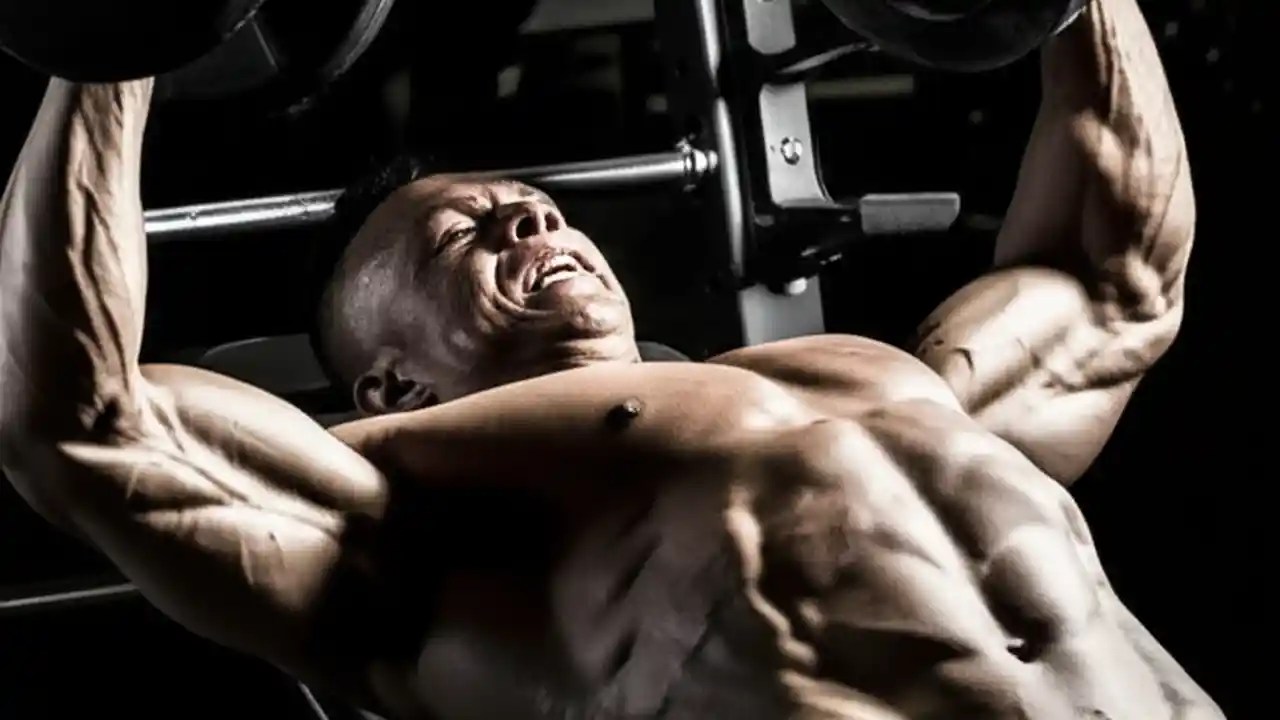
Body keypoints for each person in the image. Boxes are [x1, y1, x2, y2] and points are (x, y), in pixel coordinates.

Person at [0, 0, 1223, 718]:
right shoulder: (406, 508)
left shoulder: (872, 381)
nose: (528, 218)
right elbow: (82, 421)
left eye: (533, 206)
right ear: (391, 384)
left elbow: (1112, 282)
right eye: (462, 235)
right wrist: (115, 44)